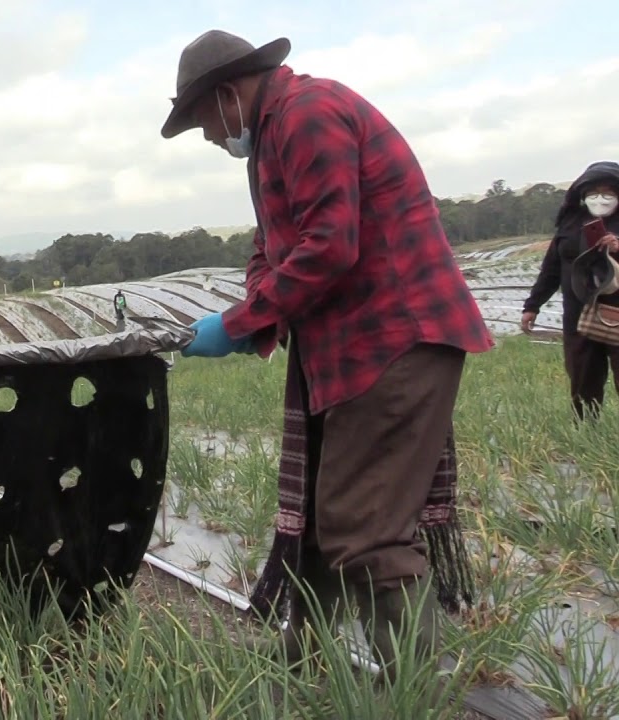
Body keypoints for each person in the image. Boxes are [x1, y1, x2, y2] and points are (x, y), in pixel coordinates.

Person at [161, 30, 492, 678]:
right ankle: (303, 662)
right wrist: (251, 305)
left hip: (396, 336)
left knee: (364, 529)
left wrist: (236, 324)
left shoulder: (307, 116)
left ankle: (421, 690)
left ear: (227, 96)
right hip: (353, 347)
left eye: (202, 123)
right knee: (319, 517)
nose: (207, 140)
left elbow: (330, 246)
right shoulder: (272, 140)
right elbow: (273, 248)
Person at [522, 161, 619, 421]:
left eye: (608, 191)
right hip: (578, 316)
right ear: (582, 194)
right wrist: (532, 306)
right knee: (582, 381)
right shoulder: (570, 225)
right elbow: (551, 269)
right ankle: (587, 433)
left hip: (617, 314)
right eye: (593, 192)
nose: (601, 198)